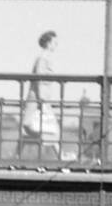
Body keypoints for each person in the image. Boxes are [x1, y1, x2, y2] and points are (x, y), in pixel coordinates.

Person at [23, 31, 77, 166]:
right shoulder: (43, 58)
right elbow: (40, 78)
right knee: (46, 128)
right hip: (39, 98)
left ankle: (59, 155)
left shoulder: (44, 57)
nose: (56, 45)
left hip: (39, 98)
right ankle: (60, 155)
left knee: (46, 128)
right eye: (54, 42)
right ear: (48, 43)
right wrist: (42, 100)